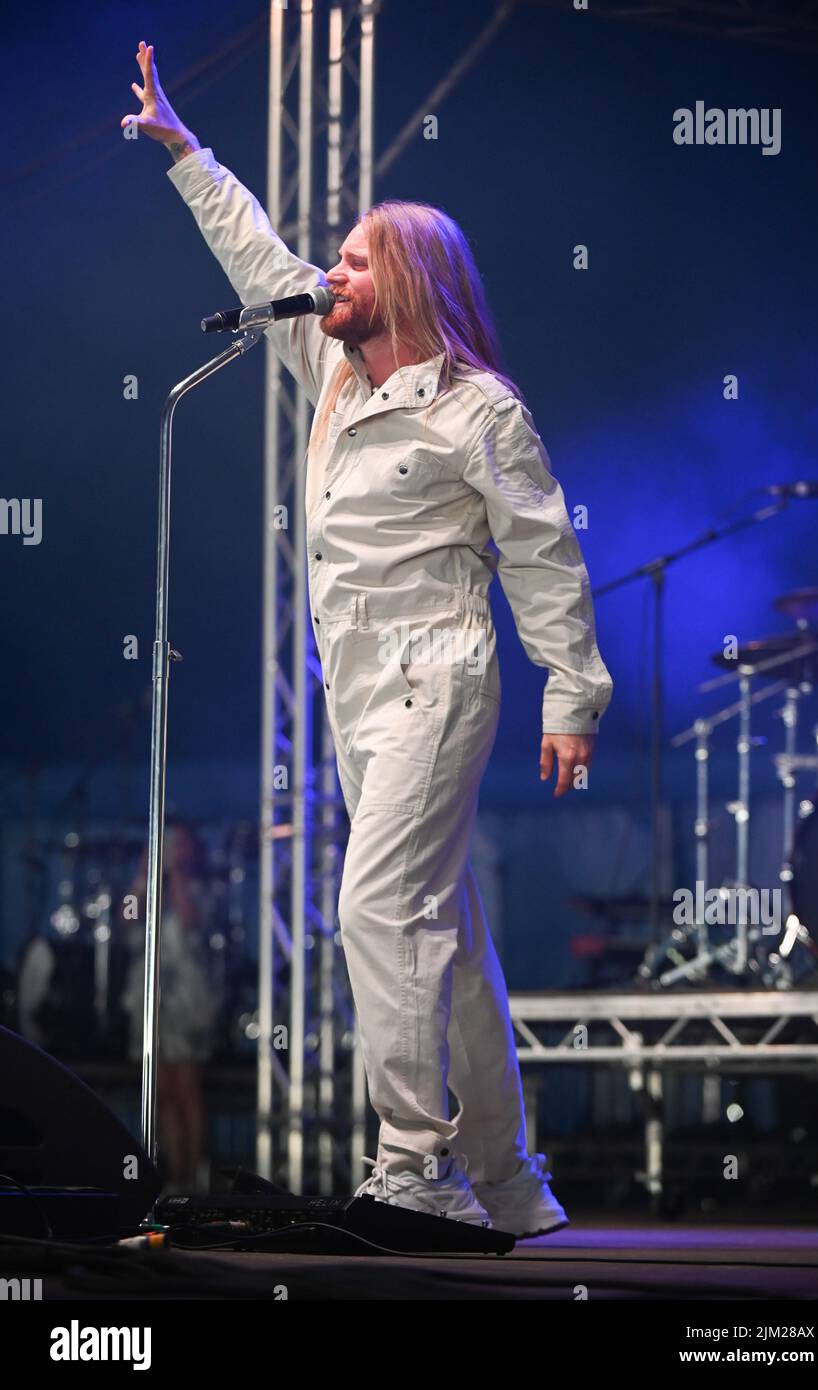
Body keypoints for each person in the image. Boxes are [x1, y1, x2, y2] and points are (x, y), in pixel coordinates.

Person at [122, 41, 613, 1236]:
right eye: (330, 257)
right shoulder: (328, 370)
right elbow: (256, 253)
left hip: (439, 685)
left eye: (351, 260)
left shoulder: (474, 407)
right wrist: (188, 153)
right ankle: (511, 1182)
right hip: (357, 696)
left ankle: (415, 1163)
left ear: (407, 283)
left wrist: (571, 698)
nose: (327, 272)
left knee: (375, 909)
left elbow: (544, 550)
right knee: (438, 932)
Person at [122, 822, 220, 1191]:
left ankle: (193, 1175)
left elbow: (194, 921)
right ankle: (172, 1173)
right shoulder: (146, 889)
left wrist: (174, 873)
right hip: (151, 994)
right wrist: (143, 876)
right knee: (160, 1087)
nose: (170, 850)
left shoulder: (201, 887)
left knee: (186, 1086)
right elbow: (127, 920)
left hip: (187, 997)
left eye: (177, 844)